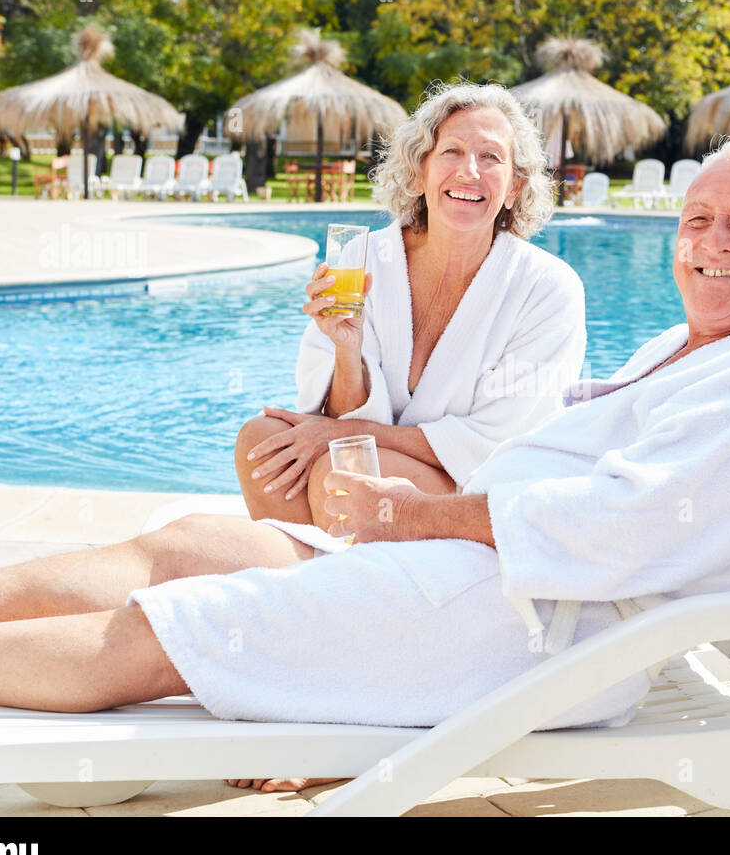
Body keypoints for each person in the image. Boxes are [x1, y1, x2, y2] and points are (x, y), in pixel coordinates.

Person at [0, 140, 730, 791]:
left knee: (171, 627)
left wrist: (414, 516)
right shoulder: (694, 350)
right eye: (697, 221)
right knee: (193, 545)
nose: (710, 246)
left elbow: (627, 528)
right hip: (484, 571)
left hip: (539, 631)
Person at [235, 81, 585, 541]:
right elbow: (336, 415)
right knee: (261, 443)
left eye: (491, 157)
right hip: (373, 457)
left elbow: (498, 443)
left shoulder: (546, 288)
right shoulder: (362, 259)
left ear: (515, 187)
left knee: (344, 476)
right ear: (419, 172)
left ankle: (320, 589)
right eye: (452, 152)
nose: (469, 171)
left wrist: (345, 436)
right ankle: (307, 582)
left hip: (471, 489)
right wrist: (346, 349)